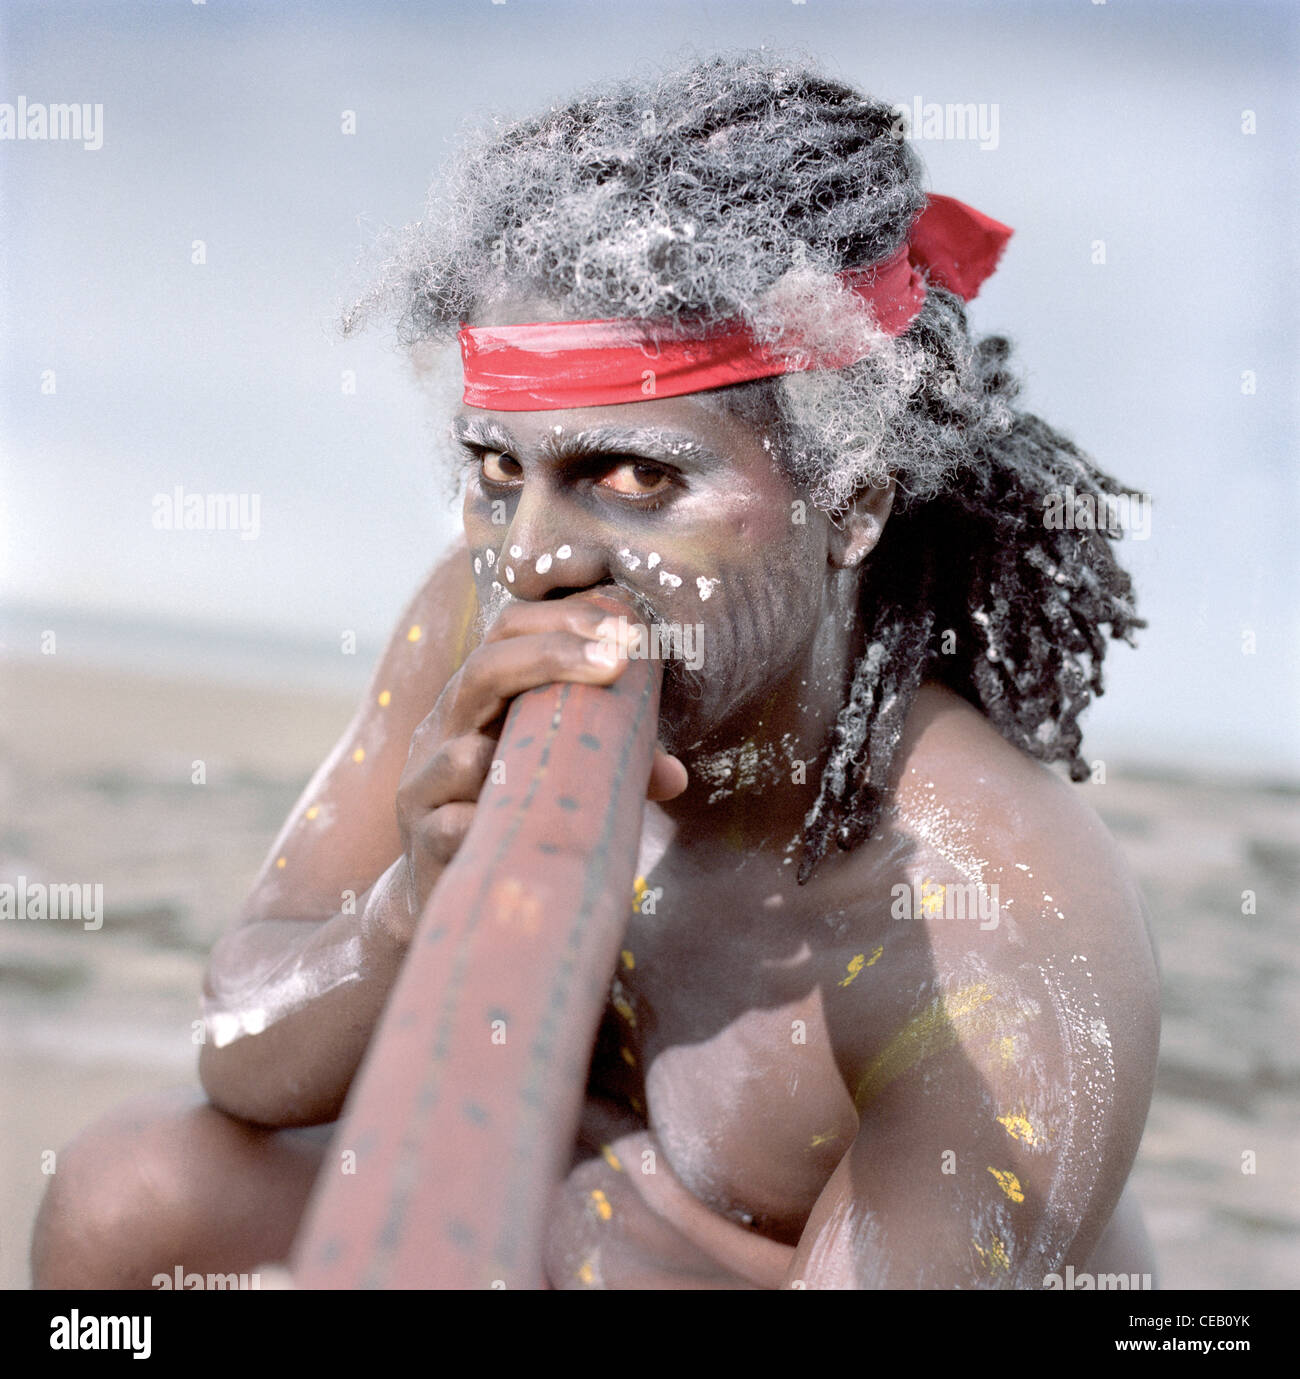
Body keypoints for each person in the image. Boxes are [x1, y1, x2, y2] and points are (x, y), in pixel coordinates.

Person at [32, 51, 1159, 1290]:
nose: (533, 560)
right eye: (500, 471)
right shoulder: (472, 611)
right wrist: (411, 903)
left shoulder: (986, 921)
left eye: (634, 476)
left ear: (850, 507)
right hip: (546, 1215)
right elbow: (235, 1047)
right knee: (124, 1200)